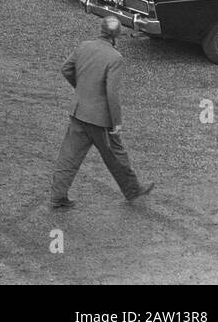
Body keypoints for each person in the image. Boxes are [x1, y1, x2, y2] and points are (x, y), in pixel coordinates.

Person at [50, 17, 155, 210]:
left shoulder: (84, 46)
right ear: (116, 37)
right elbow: (111, 93)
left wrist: (80, 89)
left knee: (69, 156)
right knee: (117, 156)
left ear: (101, 30)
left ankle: (58, 197)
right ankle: (133, 190)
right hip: (100, 119)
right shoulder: (115, 58)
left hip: (79, 112)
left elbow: (66, 68)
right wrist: (117, 122)